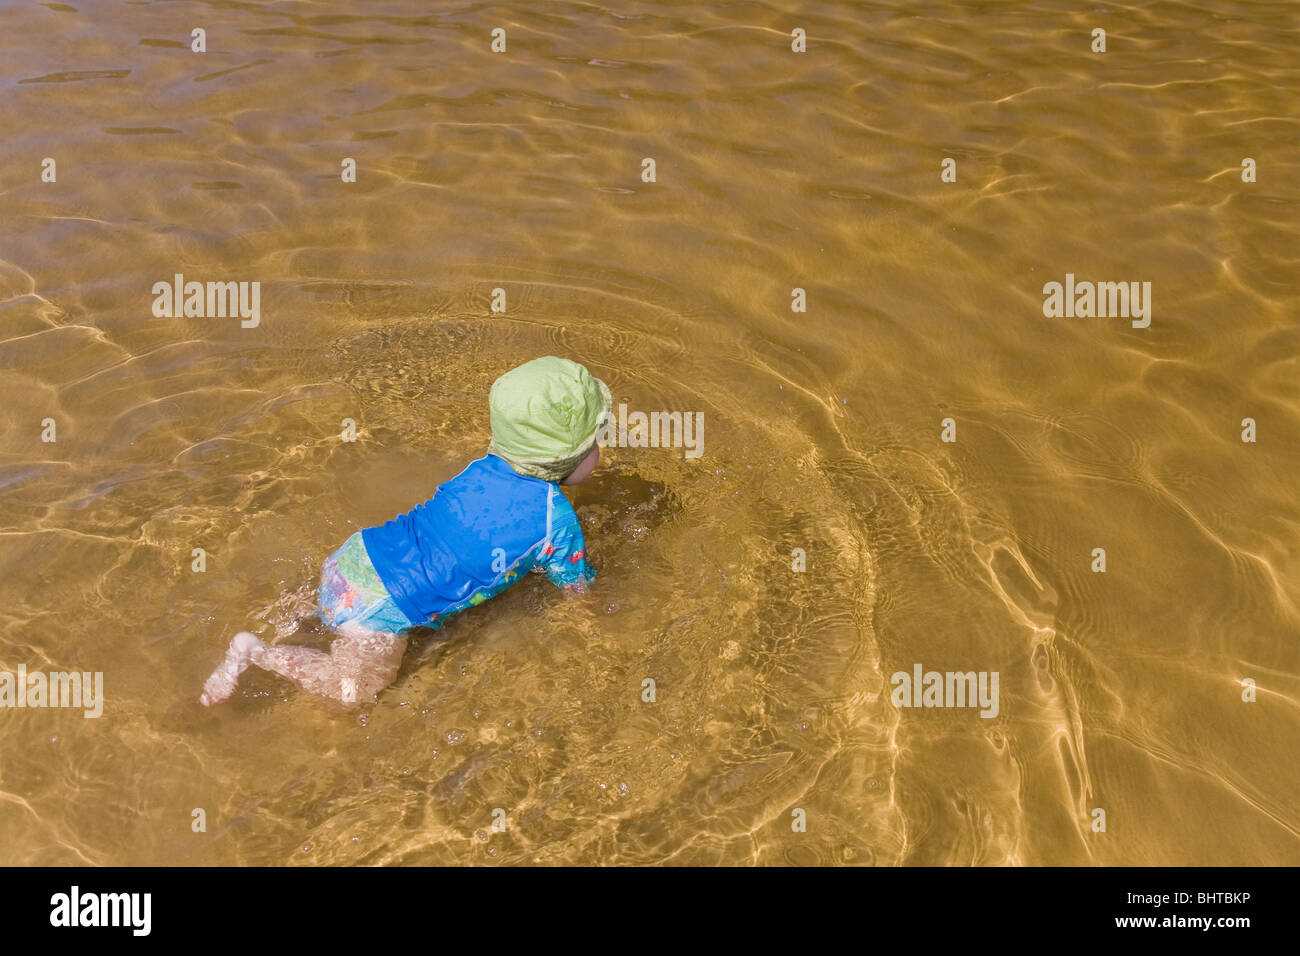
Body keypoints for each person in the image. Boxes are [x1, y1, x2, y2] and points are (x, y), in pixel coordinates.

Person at [200, 355, 611, 707]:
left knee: (324, 620)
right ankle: (256, 654)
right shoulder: (554, 521)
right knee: (352, 695)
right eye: (594, 443)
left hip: (358, 556)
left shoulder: (479, 468)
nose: (600, 451)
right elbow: (577, 591)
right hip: (382, 607)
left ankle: (304, 625)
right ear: (569, 457)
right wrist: (597, 628)